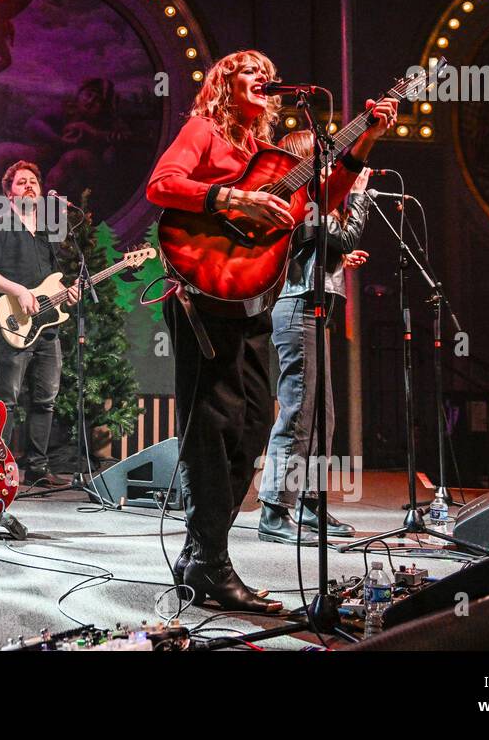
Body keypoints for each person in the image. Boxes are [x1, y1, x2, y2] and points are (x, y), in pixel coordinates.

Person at [146, 50, 395, 612]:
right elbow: (163, 185)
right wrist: (232, 197)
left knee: (256, 421)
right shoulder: (203, 130)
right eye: (248, 70)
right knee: (212, 423)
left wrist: (365, 141)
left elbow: (325, 202)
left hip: (255, 297)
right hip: (203, 293)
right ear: (223, 84)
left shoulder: (272, 154)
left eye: (267, 71)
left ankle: (201, 551)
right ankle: (210, 561)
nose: (263, 76)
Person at [258, 147, 373, 544]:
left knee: (321, 416)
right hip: (298, 308)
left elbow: (335, 243)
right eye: (323, 158)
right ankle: (274, 509)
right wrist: (358, 193)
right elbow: (347, 234)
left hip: (314, 310)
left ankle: (309, 503)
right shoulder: (306, 202)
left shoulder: (317, 209)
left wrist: (339, 258)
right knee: (299, 413)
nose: (335, 166)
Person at [0, 160, 80, 486]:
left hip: (46, 326)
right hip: (11, 323)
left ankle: (37, 468)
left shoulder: (47, 233)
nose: (29, 187)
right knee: (6, 399)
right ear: (9, 194)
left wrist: (69, 293)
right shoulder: (1, 224)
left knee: (45, 398)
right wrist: (18, 290)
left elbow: (50, 283)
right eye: (22, 183)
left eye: (33, 181)